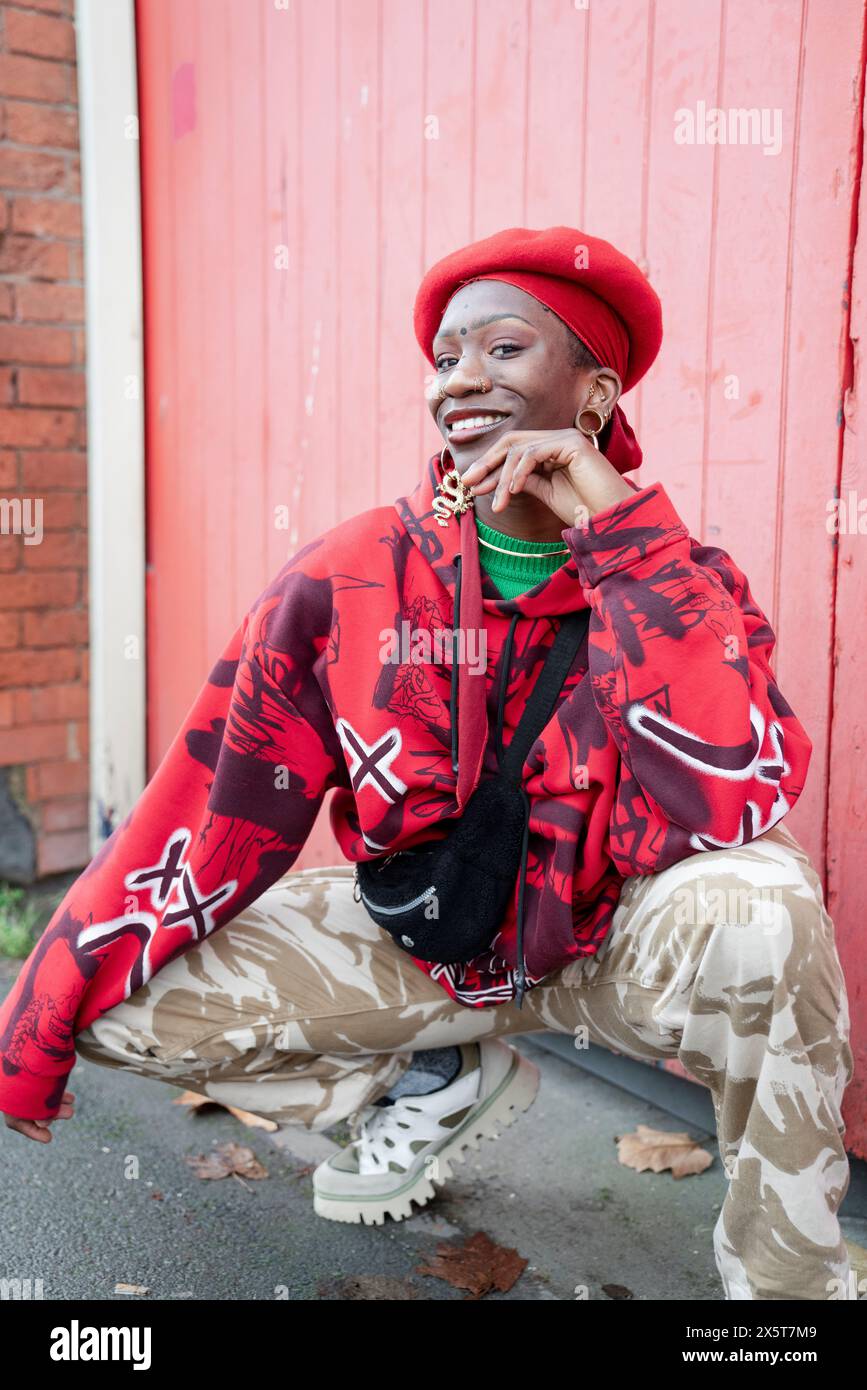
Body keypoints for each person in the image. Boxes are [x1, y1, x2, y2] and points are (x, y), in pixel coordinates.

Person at [0, 226, 854, 1301]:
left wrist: (627, 546)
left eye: (503, 350)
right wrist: (41, 1008)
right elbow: (209, 808)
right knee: (120, 997)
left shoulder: (681, 578)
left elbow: (732, 793)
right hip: (424, 945)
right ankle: (430, 1073)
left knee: (764, 906)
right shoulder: (354, 575)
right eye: (446, 358)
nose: (461, 382)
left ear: (594, 394)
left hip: (610, 943)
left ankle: (788, 1296)